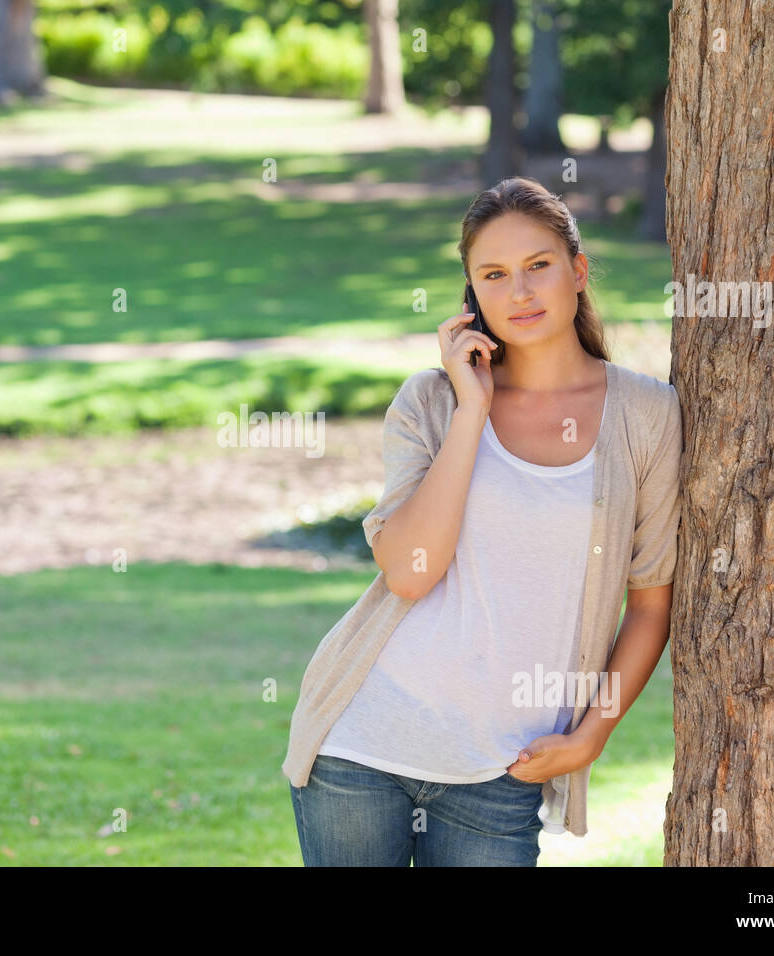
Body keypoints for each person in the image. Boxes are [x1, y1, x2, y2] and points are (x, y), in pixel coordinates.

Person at [283, 177, 683, 866]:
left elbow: (650, 603)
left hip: (502, 766)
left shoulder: (646, 415)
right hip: (360, 744)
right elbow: (411, 575)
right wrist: (472, 411)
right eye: (494, 275)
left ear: (578, 270)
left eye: (539, 266)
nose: (519, 293)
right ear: (472, 296)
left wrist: (594, 733)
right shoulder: (431, 404)